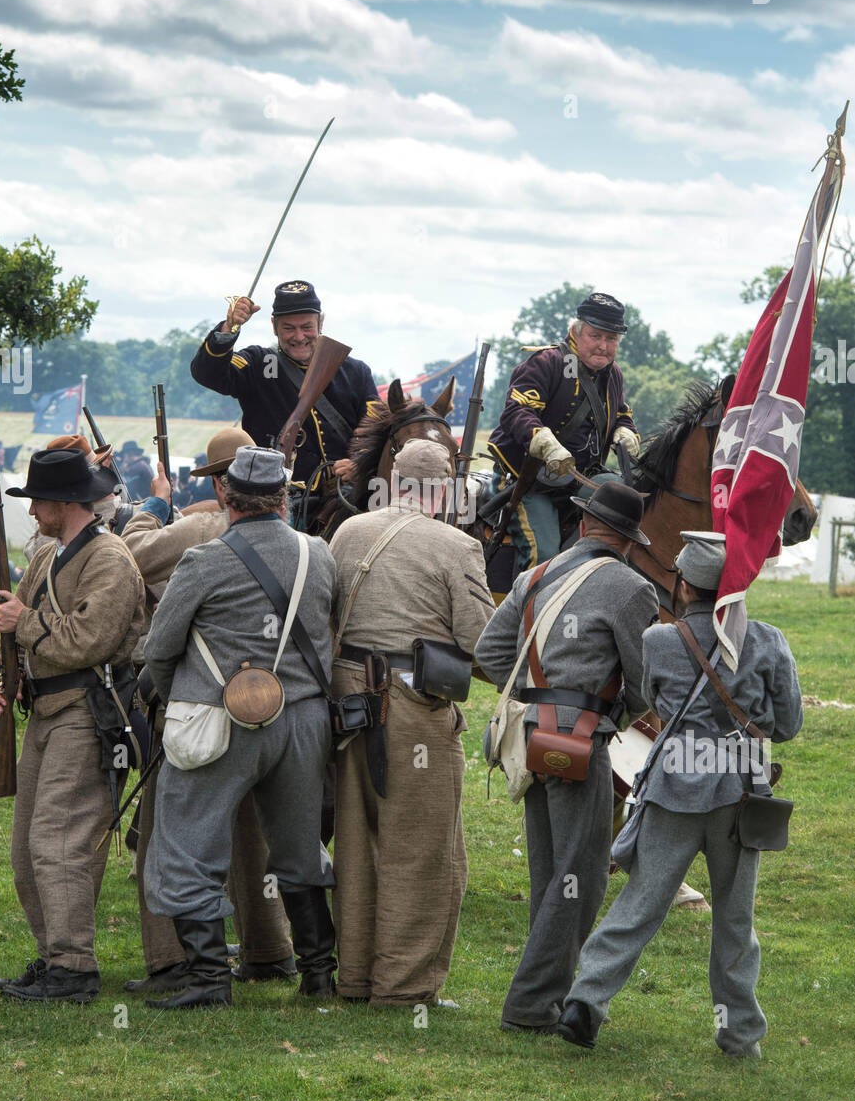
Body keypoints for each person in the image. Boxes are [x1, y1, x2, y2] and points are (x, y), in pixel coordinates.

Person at [558, 531, 803, 1058]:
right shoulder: (768, 641)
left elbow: (647, 702)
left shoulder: (658, 642)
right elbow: (788, 725)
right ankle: (738, 1035)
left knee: (640, 904)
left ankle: (585, 1002)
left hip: (674, 788)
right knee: (735, 920)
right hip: (740, 794)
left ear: (685, 588)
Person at [143, 445, 337, 1009]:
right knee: (300, 848)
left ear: (226, 495)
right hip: (303, 721)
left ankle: (208, 980)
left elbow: (160, 649)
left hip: (217, 717)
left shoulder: (203, 561)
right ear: (284, 496)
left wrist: (181, 692)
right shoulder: (318, 555)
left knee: (187, 843)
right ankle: (319, 974)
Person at [118, 426, 298, 995]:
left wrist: (153, 505)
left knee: (171, 833)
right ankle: (271, 950)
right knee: (255, 840)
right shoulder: (303, 542)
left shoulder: (199, 529)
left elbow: (130, 558)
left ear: (223, 485)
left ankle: (182, 964)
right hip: (277, 710)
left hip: (200, 707)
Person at [475, 481, 658, 1033]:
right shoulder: (632, 589)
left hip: (529, 738)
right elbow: (645, 683)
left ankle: (544, 997)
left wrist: (535, 691)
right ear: (628, 543)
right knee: (582, 876)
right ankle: (531, 1006)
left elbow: (487, 653)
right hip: (578, 740)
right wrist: (613, 713)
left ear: (583, 526)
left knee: (552, 873)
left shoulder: (532, 576)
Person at [329, 439, 495, 1006]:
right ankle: (404, 988)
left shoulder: (349, 531)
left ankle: (353, 976)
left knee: (355, 844)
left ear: (392, 478)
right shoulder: (457, 545)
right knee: (422, 850)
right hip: (413, 708)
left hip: (346, 703)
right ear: (445, 487)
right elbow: (482, 643)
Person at [0, 449, 146, 1003]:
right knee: (28, 845)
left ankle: (74, 969)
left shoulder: (109, 559)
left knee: (61, 840)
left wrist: (23, 621)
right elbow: (20, 632)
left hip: (87, 713)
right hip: (47, 711)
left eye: (37, 500)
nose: (31, 511)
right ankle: (54, 955)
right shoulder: (47, 558)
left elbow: (89, 641)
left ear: (63, 503)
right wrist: (7, 674)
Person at [189, 279, 381, 530]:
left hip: (342, 498)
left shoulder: (355, 372)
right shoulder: (258, 363)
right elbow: (207, 373)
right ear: (274, 326)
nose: (299, 337)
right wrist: (230, 327)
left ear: (321, 323)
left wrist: (359, 463)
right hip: (273, 503)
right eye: (289, 328)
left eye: (307, 327)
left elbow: (376, 431)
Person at [488, 292, 640, 572]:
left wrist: (624, 430)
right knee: (544, 556)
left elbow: (621, 413)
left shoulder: (612, 373)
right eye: (596, 336)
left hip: (580, 478)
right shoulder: (547, 362)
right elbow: (517, 411)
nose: (603, 347)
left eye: (611, 339)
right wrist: (545, 443)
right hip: (529, 478)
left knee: (623, 504)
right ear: (576, 332)